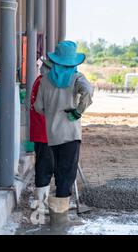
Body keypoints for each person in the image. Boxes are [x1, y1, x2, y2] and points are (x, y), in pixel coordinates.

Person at [35, 41, 94, 224]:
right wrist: (77, 111)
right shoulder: (76, 78)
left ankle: (55, 215)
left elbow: (38, 107)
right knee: (65, 176)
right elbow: (88, 92)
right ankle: (59, 221)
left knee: (57, 172)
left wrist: (52, 115)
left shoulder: (44, 81)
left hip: (52, 136)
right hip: (70, 135)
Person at [30, 57, 54, 213]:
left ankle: (43, 200)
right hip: (44, 132)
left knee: (46, 165)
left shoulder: (40, 80)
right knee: (45, 166)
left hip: (43, 131)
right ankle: (40, 203)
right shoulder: (43, 82)